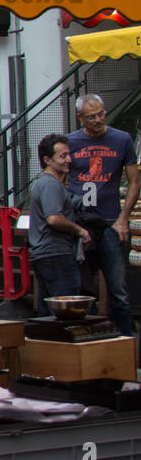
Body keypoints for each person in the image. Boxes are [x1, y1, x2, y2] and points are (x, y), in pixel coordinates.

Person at [67, 94, 139, 335]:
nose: (98, 119)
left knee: (118, 289)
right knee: (84, 289)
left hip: (110, 222)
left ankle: (125, 343)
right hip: (83, 223)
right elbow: (61, 179)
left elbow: (134, 181)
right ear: (80, 118)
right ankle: (92, 343)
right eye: (91, 117)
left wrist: (123, 219)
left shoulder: (121, 139)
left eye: (101, 114)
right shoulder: (71, 143)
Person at [29, 133, 91, 318]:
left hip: (45, 254)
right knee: (65, 308)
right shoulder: (51, 185)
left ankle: (46, 344)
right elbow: (54, 218)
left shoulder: (42, 183)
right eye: (63, 156)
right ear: (47, 160)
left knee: (49, 309)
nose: (69, 160)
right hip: (56, 253)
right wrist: (79, 230)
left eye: (68, 154)